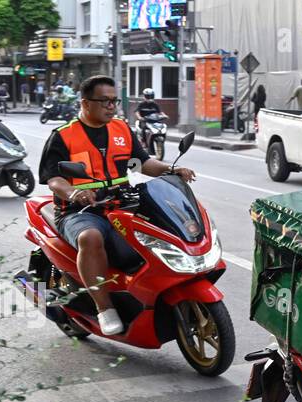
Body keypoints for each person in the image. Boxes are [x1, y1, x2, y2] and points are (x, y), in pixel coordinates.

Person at [38, 75, 197, 336]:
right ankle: (104, 308)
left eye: (115, 101)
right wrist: (74, 192)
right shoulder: (63, 136)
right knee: (90, 238)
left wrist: (172, 169)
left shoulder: (122, 129)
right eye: (105, 101)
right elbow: (54, 179)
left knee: (165, 231)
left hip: (121, 204)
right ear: (86, 103)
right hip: (80, 211)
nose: (111, 106)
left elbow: (144, 163)